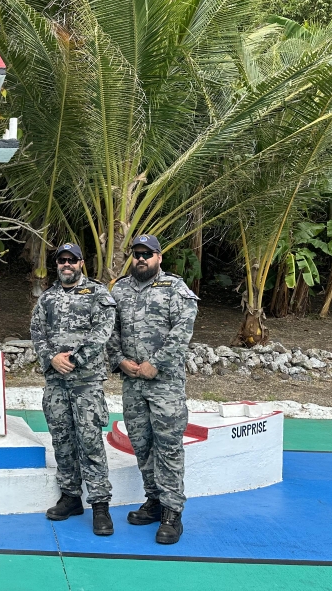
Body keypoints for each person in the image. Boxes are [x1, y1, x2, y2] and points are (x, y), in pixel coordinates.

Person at [106, 234, 199, 545]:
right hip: (132, 383)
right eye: (136, 254)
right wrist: (119, 360)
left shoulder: (175, 288)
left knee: (168, 447)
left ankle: (173, 513)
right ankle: (154, 501)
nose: (141, 259)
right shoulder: (120, 289)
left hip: (165, 384)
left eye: (147, 254)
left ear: (159, 257)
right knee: (142, 444)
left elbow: (182, 330)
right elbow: (110, 331)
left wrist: (155, 363)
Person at [30, 242, 117, 536]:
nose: (66, 265)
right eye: (62, 260)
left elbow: (102, 332)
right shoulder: (47, 298)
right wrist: (51, 358)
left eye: (72, 260)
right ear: (57, 264)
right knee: (62, 441)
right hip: (56, 382)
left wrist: (75, 360)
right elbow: (36, 332)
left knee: (90, 442)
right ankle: (70, 497)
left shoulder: (98, 294)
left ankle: (100, 505)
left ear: (81, 263)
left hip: (86, 383)